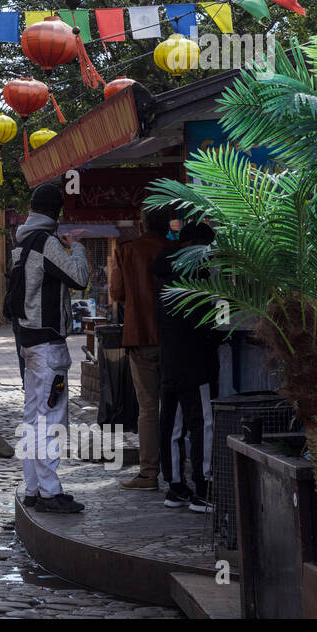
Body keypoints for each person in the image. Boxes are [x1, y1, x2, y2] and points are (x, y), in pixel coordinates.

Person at [11, 184, 89, 513]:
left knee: (32, 417)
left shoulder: (22, 243)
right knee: (51, 417)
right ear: (55, 213)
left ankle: (32, 488)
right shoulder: (46, 243)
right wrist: (78, 248)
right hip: (48, 347)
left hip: (28, 343)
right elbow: (80, 277)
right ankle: (49, 492)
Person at [152, 222, 219, 512]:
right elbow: (215, 321)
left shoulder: (166, 269)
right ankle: (203, 489)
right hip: (198, 359)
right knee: (203, 422)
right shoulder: (202, 272)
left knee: (172, 424)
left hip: (169, 358)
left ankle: (175, 486)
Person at [108, 207, 173, 491]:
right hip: (174, 337)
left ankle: (149, 473)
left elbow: (117, 293)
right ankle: (178, 471)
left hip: (140, 334)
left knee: (148, 408)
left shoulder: (127, 251)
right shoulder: (176, 249)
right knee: (179, 407)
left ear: (141, 224)